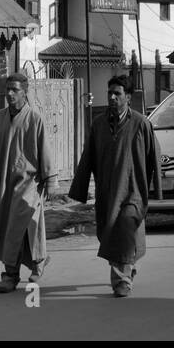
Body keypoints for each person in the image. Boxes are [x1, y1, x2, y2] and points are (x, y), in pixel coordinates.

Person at [69, 76, 163, 297]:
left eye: (117, 93)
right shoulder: (99, 125)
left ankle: (121, 281)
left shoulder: (141, 124)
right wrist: (79, 189)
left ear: (128, 97)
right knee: (111, 233)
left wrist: (155, 189)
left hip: (133, 192)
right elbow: (87, 157)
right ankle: (127, 267)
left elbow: (154, 157)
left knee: (125, 227)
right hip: (107, 192)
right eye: (109, 93)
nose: (112, 97)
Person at [0, 73, 57, 293]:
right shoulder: (0, 117)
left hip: (31, 184)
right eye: (8, 90)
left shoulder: (35, 119)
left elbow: (45, 150)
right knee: (10, 228)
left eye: (15, 90)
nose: (10, 94)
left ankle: (20, 270)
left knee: (26, 226)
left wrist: (50, 181)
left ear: (25, 92)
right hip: (6, 182)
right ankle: (22, 269)